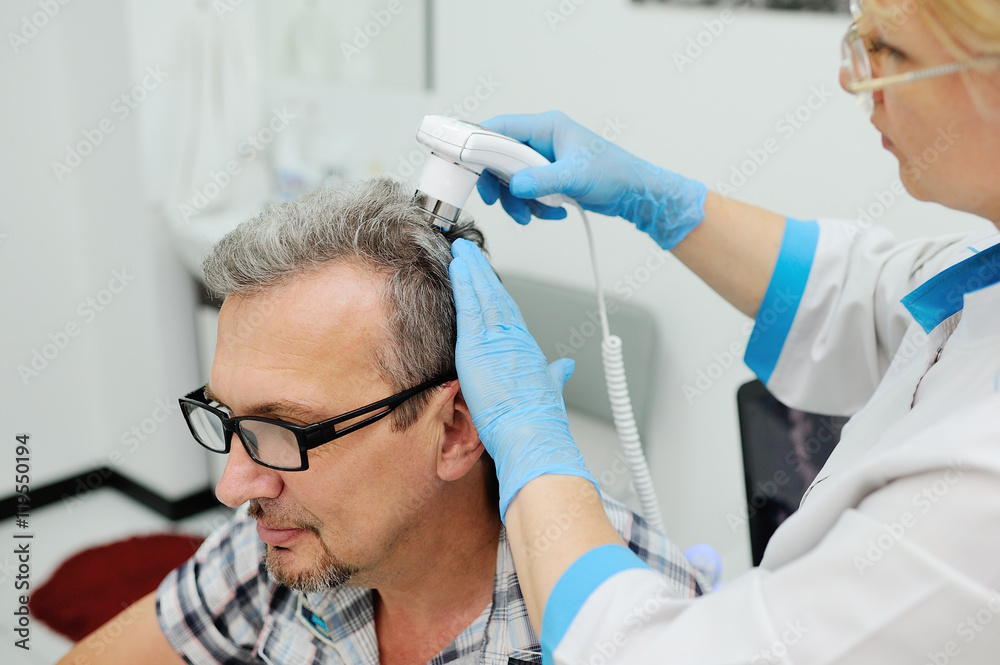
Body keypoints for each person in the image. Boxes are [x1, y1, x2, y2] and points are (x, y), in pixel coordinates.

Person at [448, 0, 1000, 662]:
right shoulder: (978, 282)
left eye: (891, 52)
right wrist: (654, 199)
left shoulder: (980, 492)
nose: (855, 80)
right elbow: (854, 289)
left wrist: (530, 441)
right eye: (860, 40)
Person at [55, 179, 706, 665]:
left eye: (286, 428)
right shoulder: (273, 542)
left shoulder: (627, 628)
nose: (232, 487)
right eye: (229, 418)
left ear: (454, 428)